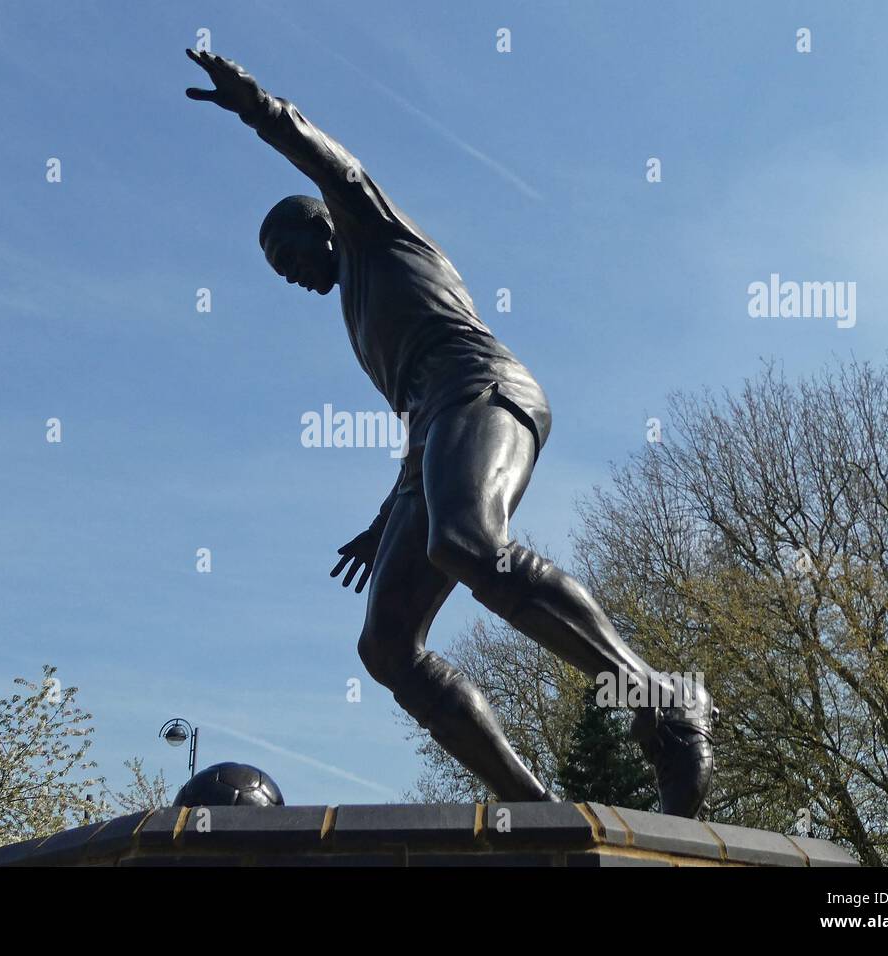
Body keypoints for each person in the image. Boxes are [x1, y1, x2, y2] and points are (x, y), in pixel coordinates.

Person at [185, 49, 715, 815]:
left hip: (488, 390)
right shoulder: (360, 319)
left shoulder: (373, 233)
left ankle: (660, 706)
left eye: (290, 253)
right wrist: (384, 520)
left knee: (466, 542)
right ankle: (531, 808)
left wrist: (258, 108)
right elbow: (419, 428)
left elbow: (337, 166)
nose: (289, 273)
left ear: (321, 227)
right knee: (387, 649)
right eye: (276, 270)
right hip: (438, 422)